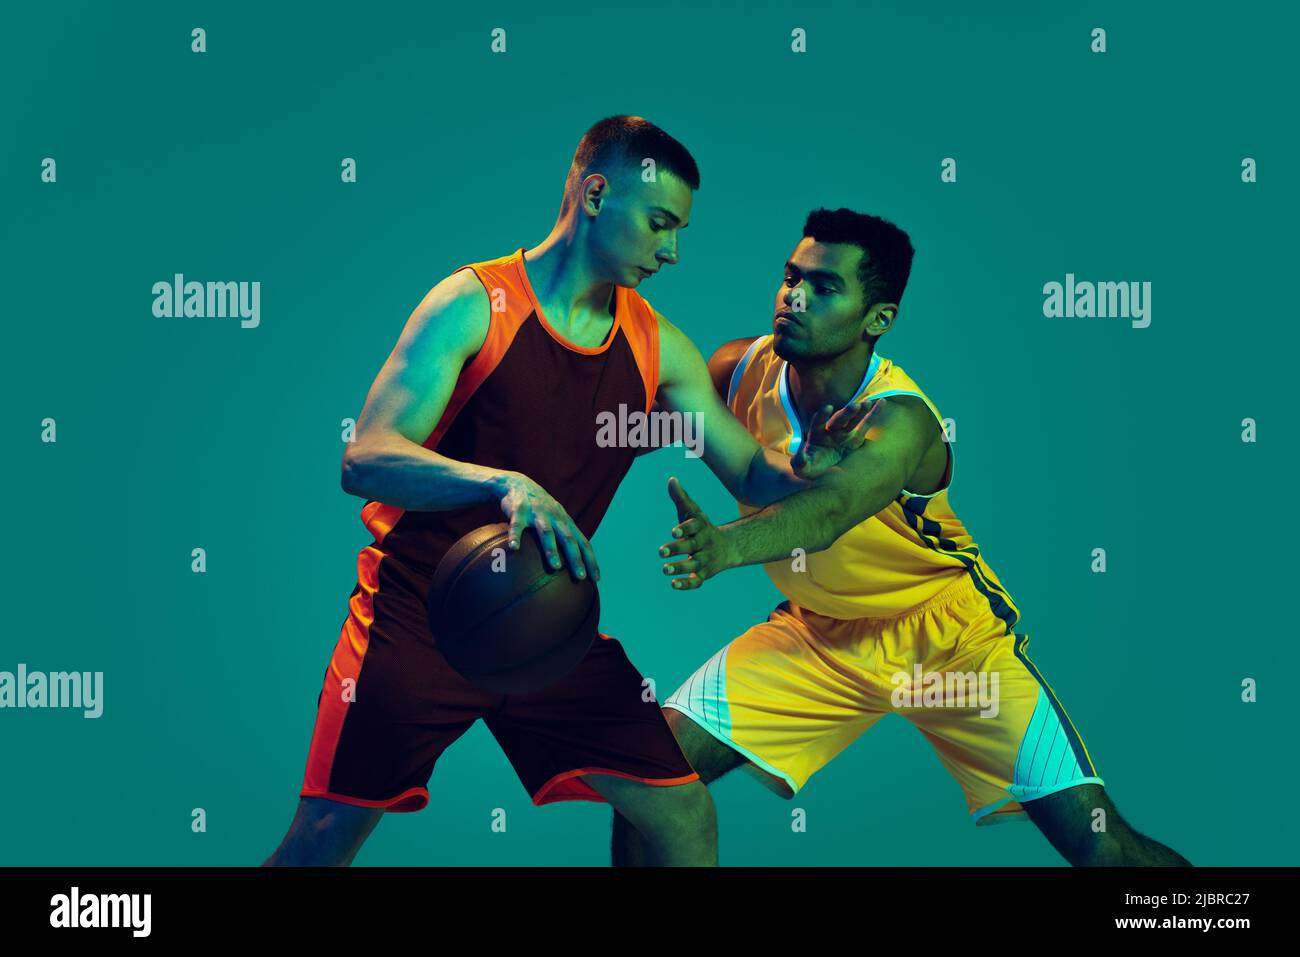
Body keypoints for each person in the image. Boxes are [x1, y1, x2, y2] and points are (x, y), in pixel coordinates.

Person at [263, 119, 871, 867]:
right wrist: (502, 484)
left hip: (548, 621)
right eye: (660, 224)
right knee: (320, 843)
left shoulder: (658, 347)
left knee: (683, 811)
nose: (672, 250)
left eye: (680, 231)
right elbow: (366, 455)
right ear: (594, 193)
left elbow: (750, 474)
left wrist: (813, 461)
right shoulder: (473, 304)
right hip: (415, 618)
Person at [617, 207, 1191, 866]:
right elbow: (628, 429)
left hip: (949, 638)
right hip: (819, 632)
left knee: (1102, 848)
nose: (795, 296)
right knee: (648, 776)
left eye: (825, 287)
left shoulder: (902, 420)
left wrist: (726, 547)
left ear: (877, 319)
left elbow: (831, 511)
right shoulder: (737, 370)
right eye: (791, 276)